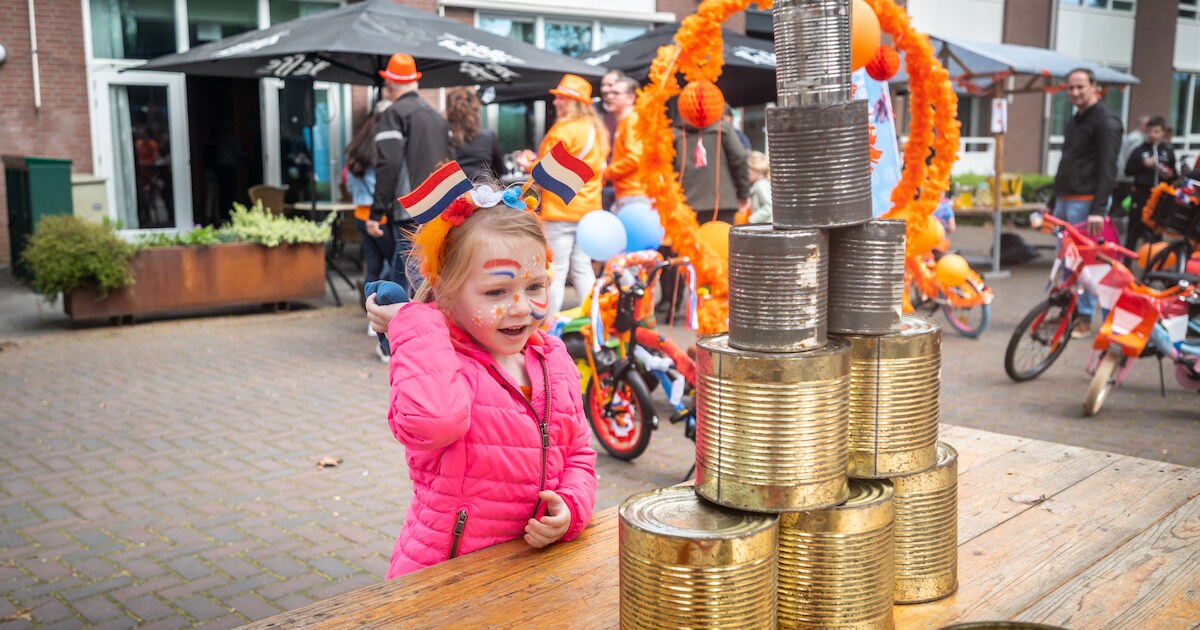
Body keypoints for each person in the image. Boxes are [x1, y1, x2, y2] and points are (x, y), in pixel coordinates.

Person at [364, 171, 598, 578]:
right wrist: (414, 321)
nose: (522, 308)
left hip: (529, 573)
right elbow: (435, 422)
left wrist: (572, 505)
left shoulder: (554, 359)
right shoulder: (442, 360)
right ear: (448, 292)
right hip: (446, 576)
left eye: (536, 286)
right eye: (496, 292)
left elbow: (578, 452)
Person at [1045, 67, 1122, 339]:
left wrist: (1098, 210)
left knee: (1085, 264)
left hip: (1087, 205)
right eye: (1071, 87)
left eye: (1080, 86)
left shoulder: (1106, 121)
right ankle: (1069, 312)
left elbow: (1108, 167)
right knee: (1067, 264)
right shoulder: (1074, 120)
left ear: (1094, 86)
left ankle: (1085, 318)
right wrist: (1053, 201)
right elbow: (1066, 162)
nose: (1075, 92)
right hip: (1066, 202)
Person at [368, 53, 454, 299]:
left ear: (389, 84)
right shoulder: (437, 118)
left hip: (409, 208)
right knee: (425, 270)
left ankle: (397, 328)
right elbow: (450, 163)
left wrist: (376, 213)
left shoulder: (394, 114)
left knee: (406, 272)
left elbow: (388, 164)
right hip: (439, 207)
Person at [537, 74, 609, 325]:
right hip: (588, 211)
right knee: (582, 267)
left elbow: (545, 168)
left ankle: (547, 327)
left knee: (555, 270)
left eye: (561, 98)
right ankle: (596, 321)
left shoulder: (563, 130)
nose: (555, 102)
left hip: (560, 210)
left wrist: (527, 163)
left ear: (574, 103)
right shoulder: (597, 132)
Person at [1123, 115, 1178, 251]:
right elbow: (1127, 171)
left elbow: (1174, 174)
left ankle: (1153, 265)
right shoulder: (1140, 150)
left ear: (1163, 132)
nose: (1152, 135)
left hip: (1160, 197)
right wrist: (1143, 164)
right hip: (1141, 194)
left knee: (1156, 232)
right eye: (1150, 131)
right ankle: (1127, 262)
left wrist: (1170, 175)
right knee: (1134, 230)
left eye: (1156, 131)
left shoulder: (1168, 150)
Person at [603, 77, 648, 213]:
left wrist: (607, 172)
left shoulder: (632, 121)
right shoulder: (626, 121)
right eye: (609, 93)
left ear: (631, 98)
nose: (609, 96)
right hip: (629, 194)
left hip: (635, 194)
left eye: (616, 93)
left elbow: (635, 159)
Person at [446, 87, 506, 182]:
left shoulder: (445, 136)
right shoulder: (489, 135)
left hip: (455, 193)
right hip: (483, 191)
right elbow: (500, 170)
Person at [596, 69, 628, 210]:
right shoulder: (595, 112)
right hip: (602, 182)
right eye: (603, 85)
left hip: (624, 181)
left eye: (610, 86)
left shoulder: (629, 116)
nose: (606, 90)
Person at [746, 150, 772, 224]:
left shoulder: (761, 185)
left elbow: (768, 208)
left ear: (757, 169)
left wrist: (751, 219)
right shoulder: (758, 184)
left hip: (764, 227)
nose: (746, 173)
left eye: (748, 169)